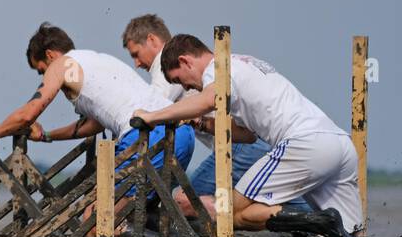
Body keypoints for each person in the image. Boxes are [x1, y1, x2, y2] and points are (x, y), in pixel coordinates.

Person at [133, 33, 364, 237]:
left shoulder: (218, 68)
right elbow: (248, 135)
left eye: (180, 80)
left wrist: (152, 116)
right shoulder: (244, 63)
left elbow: (209, 99)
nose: (186, 87)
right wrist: (203, 123)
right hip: (339, 144)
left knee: (227, 213)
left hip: (304, 145)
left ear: (185, 61)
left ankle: (315, 222)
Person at [0, 23, 194, 223]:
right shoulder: (97, 59)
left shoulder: (62, 65)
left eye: (41, 70)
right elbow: (93, 125)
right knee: (129, 217)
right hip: (180, 134)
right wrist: (47, 136)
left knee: (94, 221)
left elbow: (28, 115)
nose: (44, 76)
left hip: (148, 135)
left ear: (50, 55)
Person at [121, 13, 307, 214]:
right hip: (249, 139)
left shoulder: (166, 64)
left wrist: (132, 124)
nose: (137, 63)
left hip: (234, 145)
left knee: (183, 203)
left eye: (135, 54)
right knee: (292, 204)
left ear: (152, 40)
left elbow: (152, 106)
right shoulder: (204, 64)